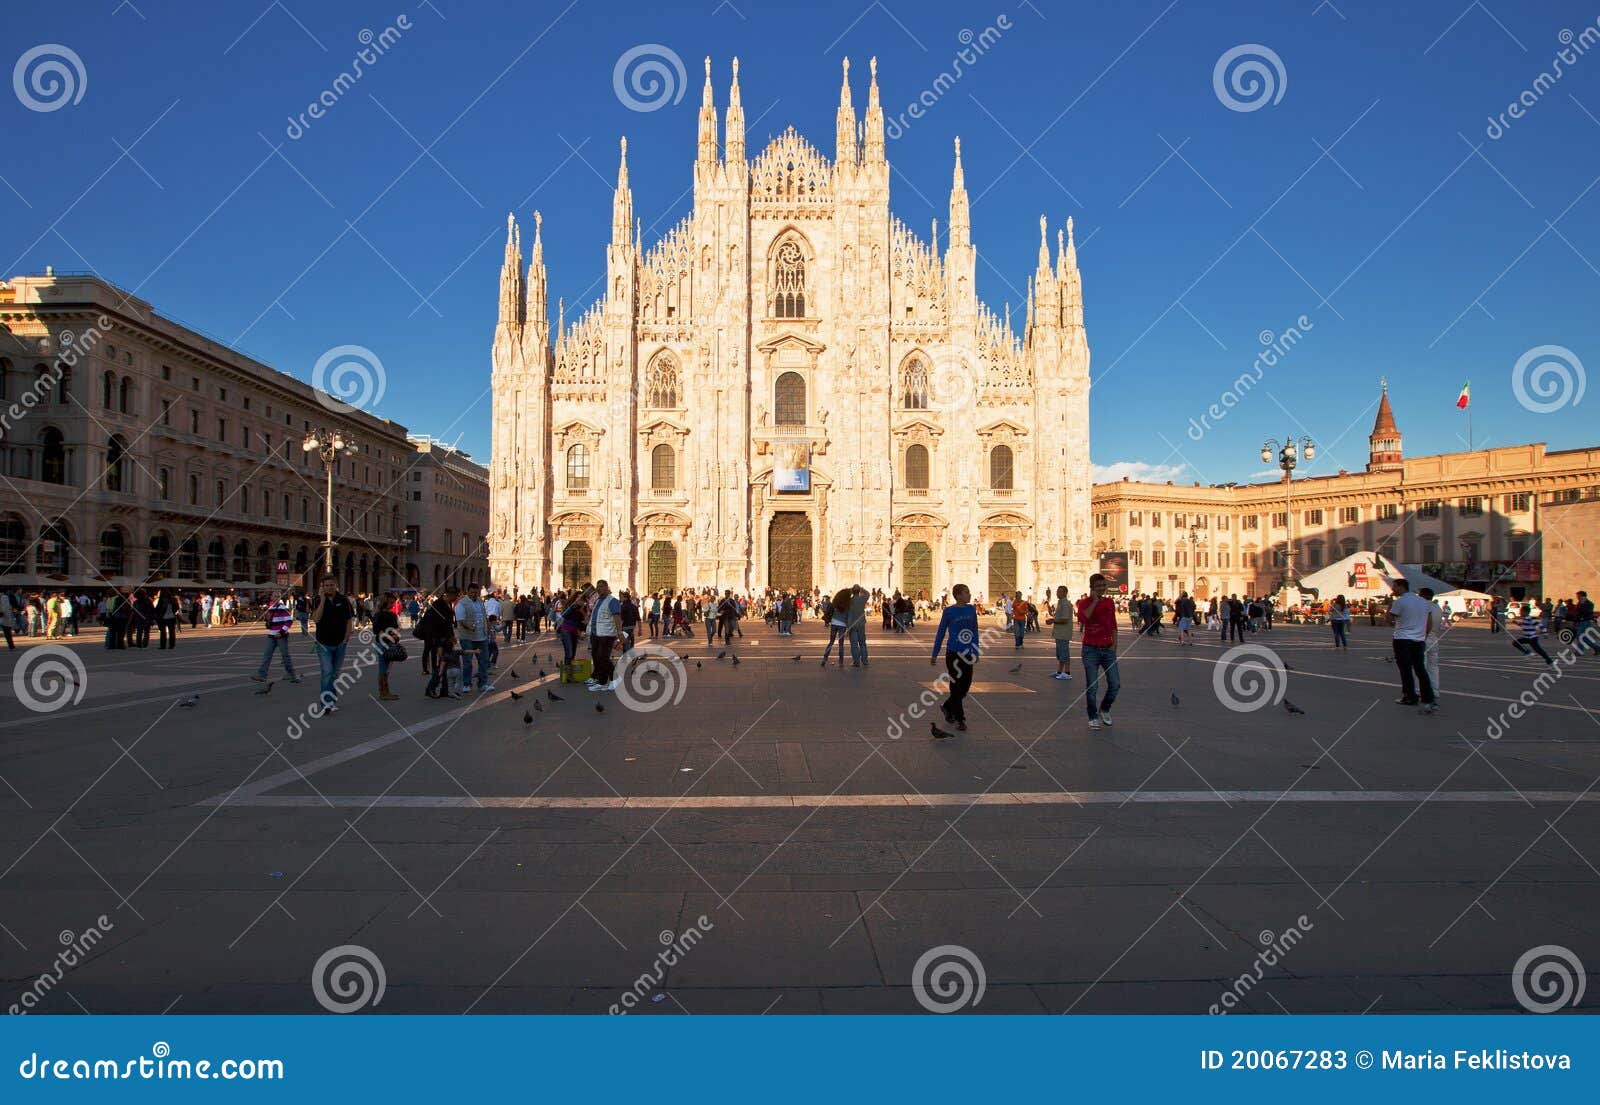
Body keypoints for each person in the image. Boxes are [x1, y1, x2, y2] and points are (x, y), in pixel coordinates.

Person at [930, 583, 980, 732]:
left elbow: (975, 631)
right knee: (956, 685)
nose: (969, 595)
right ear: (958, 595)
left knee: (965, 686)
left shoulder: (971, 609)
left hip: (967, 653)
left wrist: (975, 650)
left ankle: (947, 707)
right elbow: (941, 632)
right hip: (953, 653)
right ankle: (960, 719)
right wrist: (935, 653)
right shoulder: (949, 611)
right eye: (966, 593)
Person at [1387, 578, 1437, 714]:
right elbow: (1429, 622)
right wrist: (1423, 636)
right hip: (1418, 640)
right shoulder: (1423, 602)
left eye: (1394, 587)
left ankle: (1409, 696)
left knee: (1405, 669)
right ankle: (1428, 697)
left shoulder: (1400, 601)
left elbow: (1389, 619)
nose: (1393, 589)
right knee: (1420, 669)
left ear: (1401, 587)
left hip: (1402, 639)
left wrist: (1389, 603)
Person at [1077, 573, 1120, 730]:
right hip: (1090, 650)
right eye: (1098, 586)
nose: (1102, 589)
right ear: (1092, 588)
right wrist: (1095, 601)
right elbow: (1084, 618)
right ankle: (1093, 716)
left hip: (1108, 649)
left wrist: (1115, 645)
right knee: (1092, 686)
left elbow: (1113, 624)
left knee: (1115, 684)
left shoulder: (1109, 602)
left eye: (1103, 586)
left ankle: (1105, 708)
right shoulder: (1084, 603)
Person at [310, 576, 356, 712]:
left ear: (335, 585)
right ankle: (326, 703)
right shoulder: (317, 600)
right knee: (327, 672)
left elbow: (349, 621)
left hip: (340, 643)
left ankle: (331, 699)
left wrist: (345, 639)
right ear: (322, 587)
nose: (329, 587)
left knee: (334, 674)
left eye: (331, 585)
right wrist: (323, 600)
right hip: (323, 643)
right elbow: (316, 618)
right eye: (326, 585)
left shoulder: (343, 600)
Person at [454, 584, 494, 693]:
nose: (474, 594)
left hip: (482, 637)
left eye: (476, 592)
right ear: (467, 591)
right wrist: (469, 627)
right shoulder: (462, 603)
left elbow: (485, 616)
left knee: (484, 661)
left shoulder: (481, 602)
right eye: (472, 592)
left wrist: (490, 630)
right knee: (467, 661)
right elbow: (461, 620)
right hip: (468, 638)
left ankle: (483, 684)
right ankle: (467, 684)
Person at [252, 592, 300, 684]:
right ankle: (262, 675)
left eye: (278, 596)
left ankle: (292, 675)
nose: (277, 597)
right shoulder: (271, 608)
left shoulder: (283, 608)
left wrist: (281, 632)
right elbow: (271, 621)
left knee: (285, 656)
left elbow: (289, 621)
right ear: (271, 598)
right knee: (267, 655)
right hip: (272, 635)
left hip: (281, 636)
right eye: (274, 596)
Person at [587, 580, 622, 692]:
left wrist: (619, 632)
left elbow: (617, 617)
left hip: (607, 634)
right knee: (596, 658)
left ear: (607, 587)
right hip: (596, 634)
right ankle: (602, 682)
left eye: (601, 586)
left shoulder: (612, 601)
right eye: (598, 586)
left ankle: (614, 679)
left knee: (603, 658)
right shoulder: (598, 601)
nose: (599, 588)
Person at [1419, 586, 1446, 703]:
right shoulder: (1438, 607)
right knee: (1434, 666)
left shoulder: (1423, 607)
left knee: (1421, 666)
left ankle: (1419, 690)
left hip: (1423, 638)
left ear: (1423, 596)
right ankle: (1435, 690)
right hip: (1434, 639)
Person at [373, 590, 401, 701]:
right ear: (385, 602)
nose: (392, 605)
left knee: (387, 668)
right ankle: (383, 692)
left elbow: (396, 628)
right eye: (390, 603)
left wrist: (396, 635)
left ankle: (385, 691)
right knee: (383, 668)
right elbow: (377, 631)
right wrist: (389, 636)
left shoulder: (392, 615)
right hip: (382, 643)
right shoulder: (379, 615)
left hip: (390, 643)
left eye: (393, 603)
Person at [1512, 601, 1555, 666]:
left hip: (1532, 638)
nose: (1519, 612)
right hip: (1528, 638)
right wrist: (1516, 623)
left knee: (1539, 650)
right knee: (1515, 643)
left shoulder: (1530, 619)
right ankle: (1528, 652)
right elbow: (1523, 625)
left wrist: (1545, 633)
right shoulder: (1525, 619)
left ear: (1525, 612)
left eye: (1521, 611)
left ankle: (1550, 662)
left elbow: (1541, 625)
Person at [1048, 584, 1073, 680]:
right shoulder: (1061, 603)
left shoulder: (1065, 604)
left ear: (1065, 593)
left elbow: (1065, 619)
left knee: (1064, 652)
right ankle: (1059, 671)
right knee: (1060, 653)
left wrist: (1053, 620)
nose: (1057, 593)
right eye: (1057, 591)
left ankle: (1067, 672)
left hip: (1063, 632)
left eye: (1060, 591)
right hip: (1059, 632)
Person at [822, 587, 851, 667]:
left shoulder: (835, 603)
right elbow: (848, 617)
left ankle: (825, 658)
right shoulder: (847, 605)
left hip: (834, 623)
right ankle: (841, 662)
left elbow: (830, 611)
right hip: (842, 625)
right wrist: (848, 628)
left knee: (831, 642)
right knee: (841, 644)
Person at [847, 585, 869, 667]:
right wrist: (862, 588)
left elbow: (849, 614)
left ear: (853, 591)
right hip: (861, 623)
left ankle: (856, 661)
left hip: (852, 624)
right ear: (859, 591)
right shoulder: (862, 599)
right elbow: (868, 593)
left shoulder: (850, 600)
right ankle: (865, 660)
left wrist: (848, 627)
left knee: (854, 644)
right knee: (862, 643)